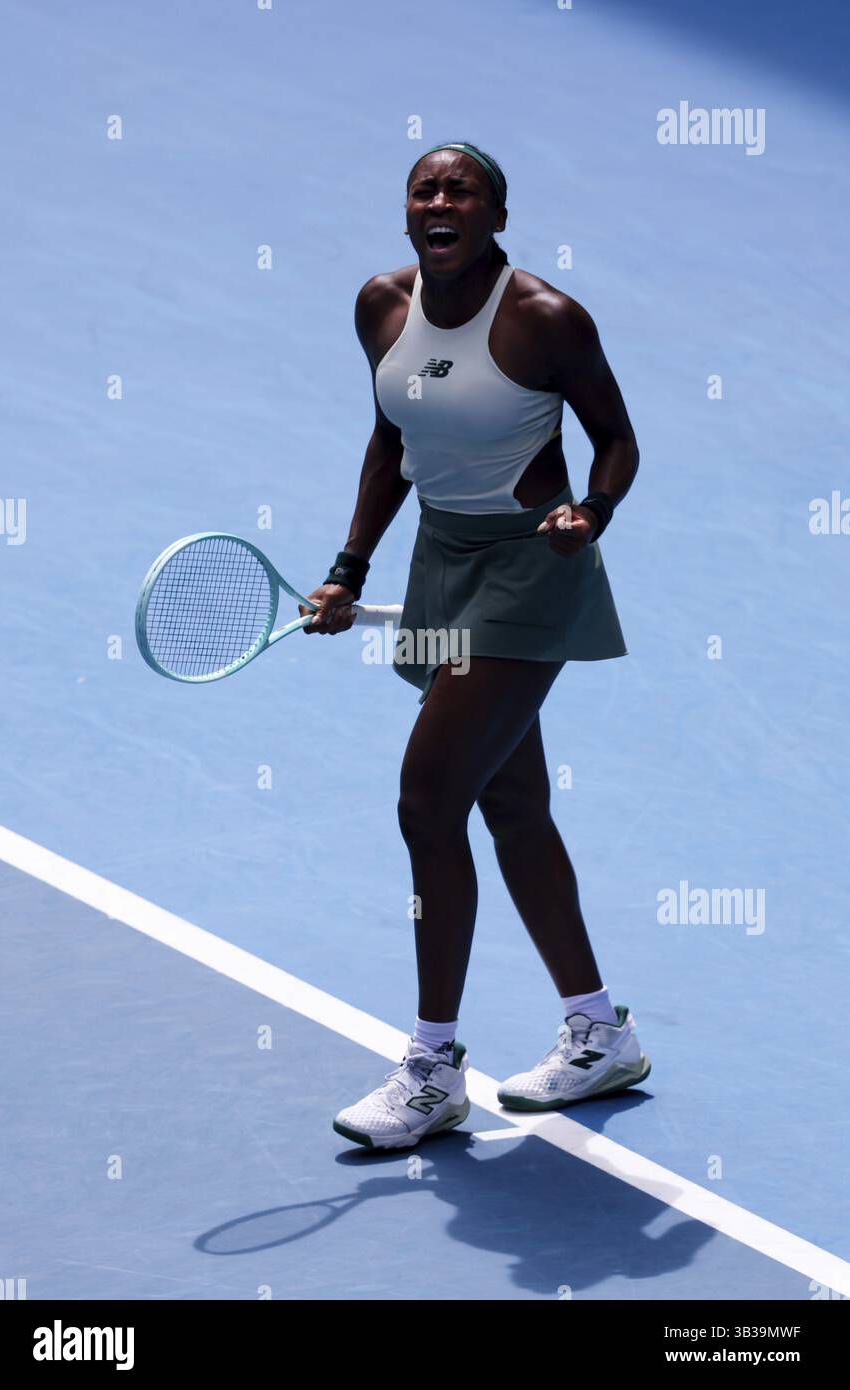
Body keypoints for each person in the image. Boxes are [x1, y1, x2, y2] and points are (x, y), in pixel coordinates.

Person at [300, 142, 650, 1150]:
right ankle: (599, 1030)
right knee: (510, 800)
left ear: (497, 217)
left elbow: (617, 437)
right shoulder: (381, 306)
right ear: (407, 212)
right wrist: (351, 567)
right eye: (425, 189)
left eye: (462, 191)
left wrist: (595, 509)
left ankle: (432, 1066)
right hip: (442, 559)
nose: (440, 201)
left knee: (426, 797)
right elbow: (391, 440)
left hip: (534, 563)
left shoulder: (544, 318)